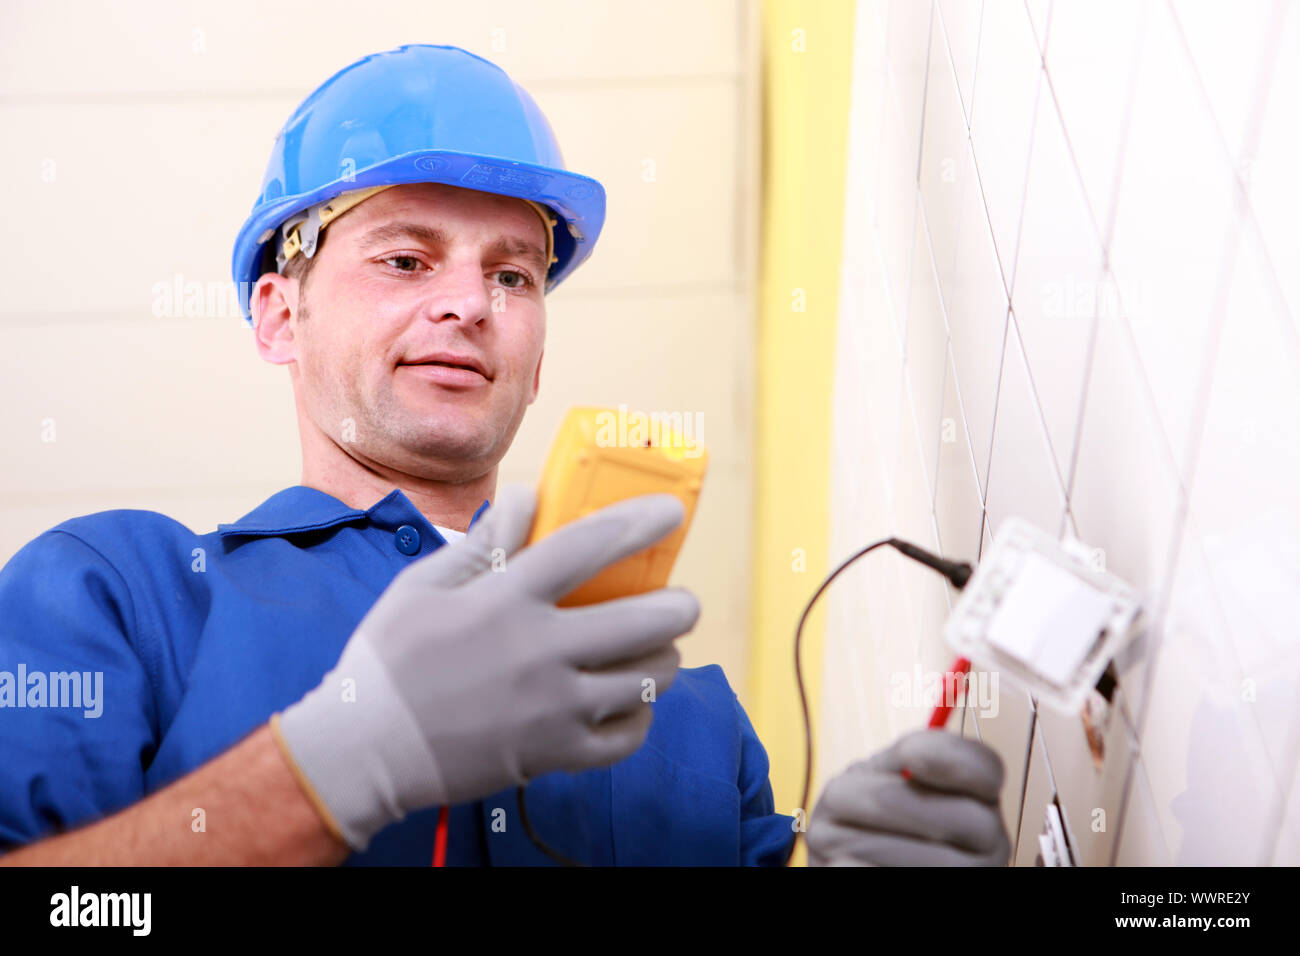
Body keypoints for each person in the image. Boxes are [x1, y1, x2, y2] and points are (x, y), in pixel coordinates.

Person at [0, 44, 1008, 867]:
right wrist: (339, 762)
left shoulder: (691, 716)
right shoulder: (122, 593)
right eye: (404, 258)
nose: (469, 304)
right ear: (278, 314)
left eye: (513, 275)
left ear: (535, 354)